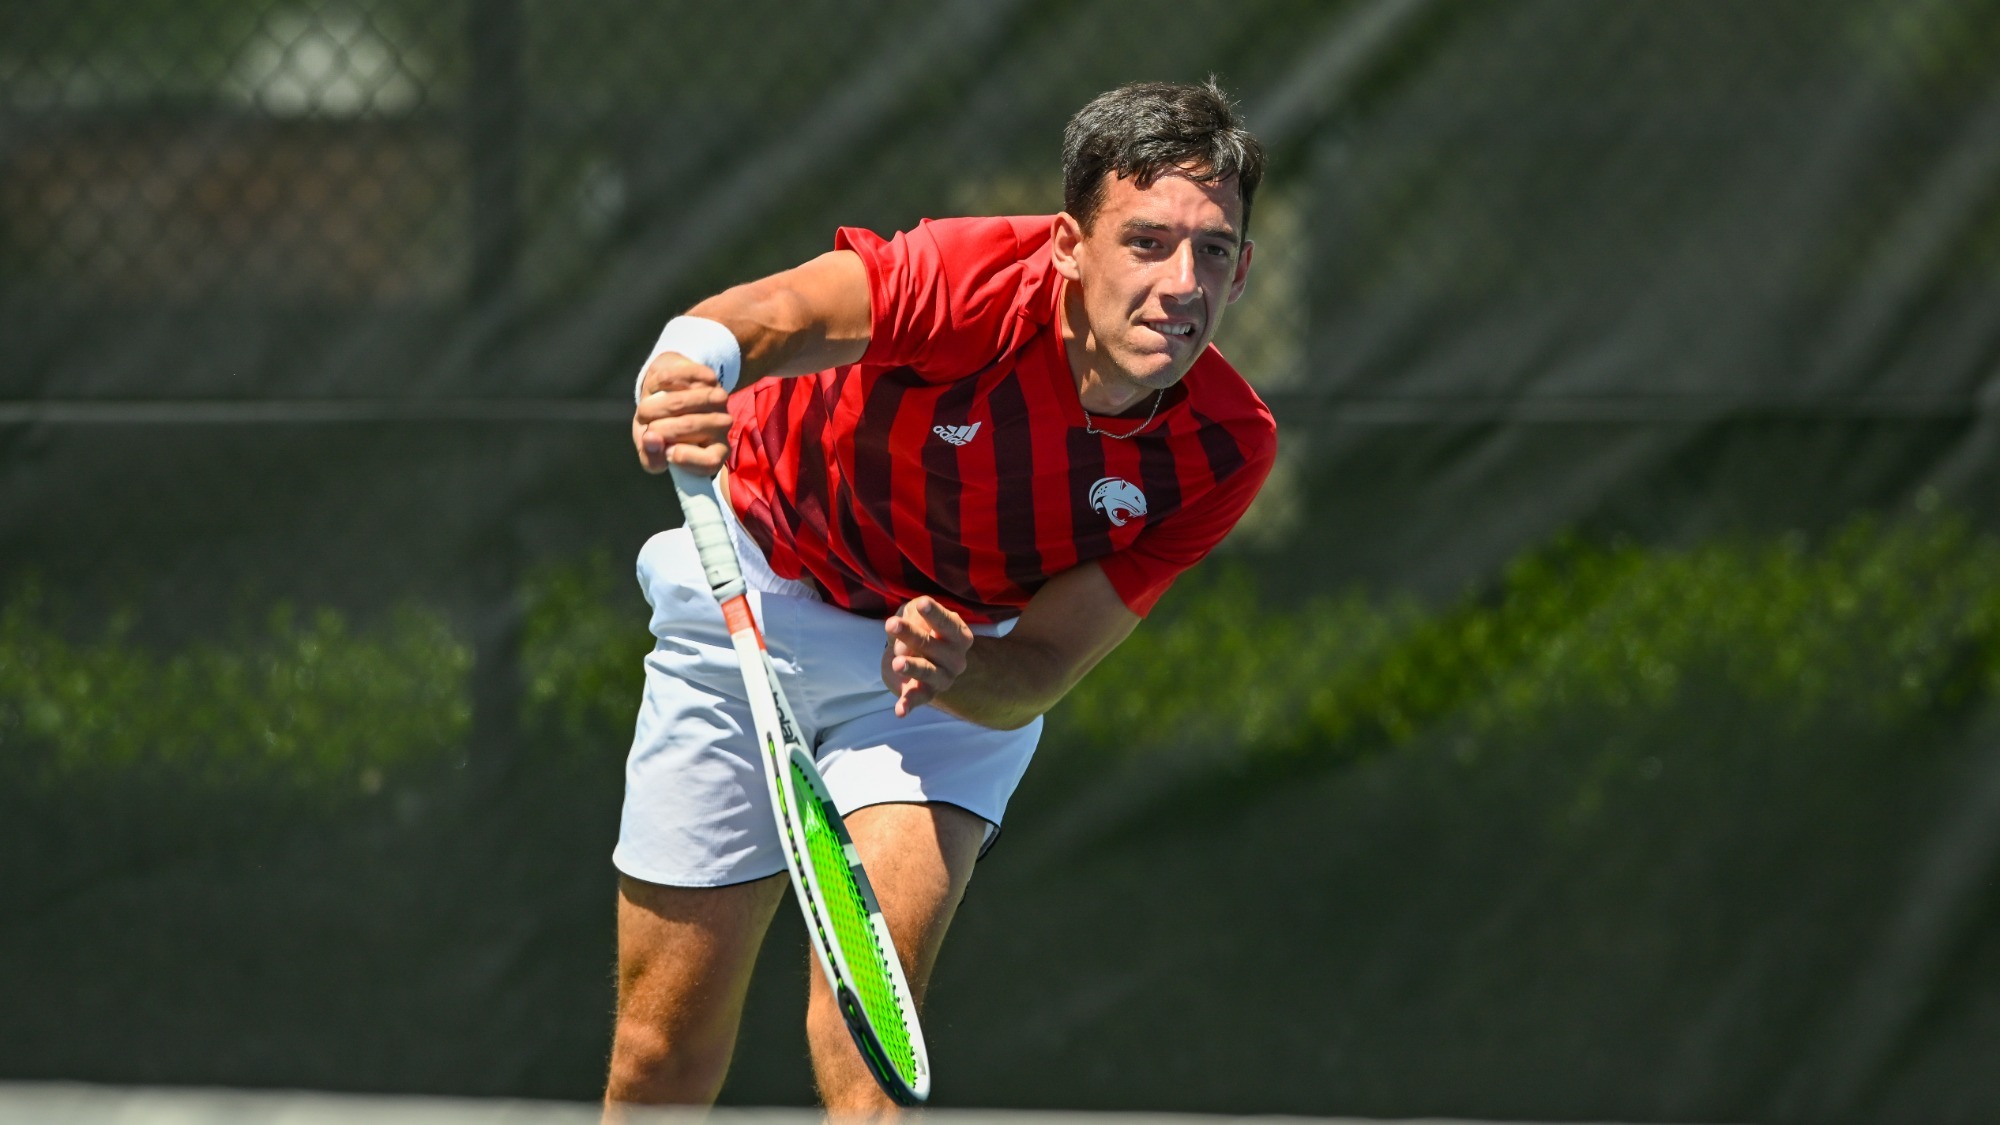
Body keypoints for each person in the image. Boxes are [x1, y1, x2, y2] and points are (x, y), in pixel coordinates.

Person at [605, 79, 1276, 1113]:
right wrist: (691, 361)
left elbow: (1042, 668)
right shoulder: (967, 282)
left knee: (865, 1026)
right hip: (759, 589)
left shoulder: (1223, 447)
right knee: (660, 1054)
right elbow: (780, 315)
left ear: (1239, 274)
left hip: (943, 679)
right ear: (1067, 244)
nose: (1182, 282)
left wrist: (964, 666)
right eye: (1146, 242)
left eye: (1214, 251)